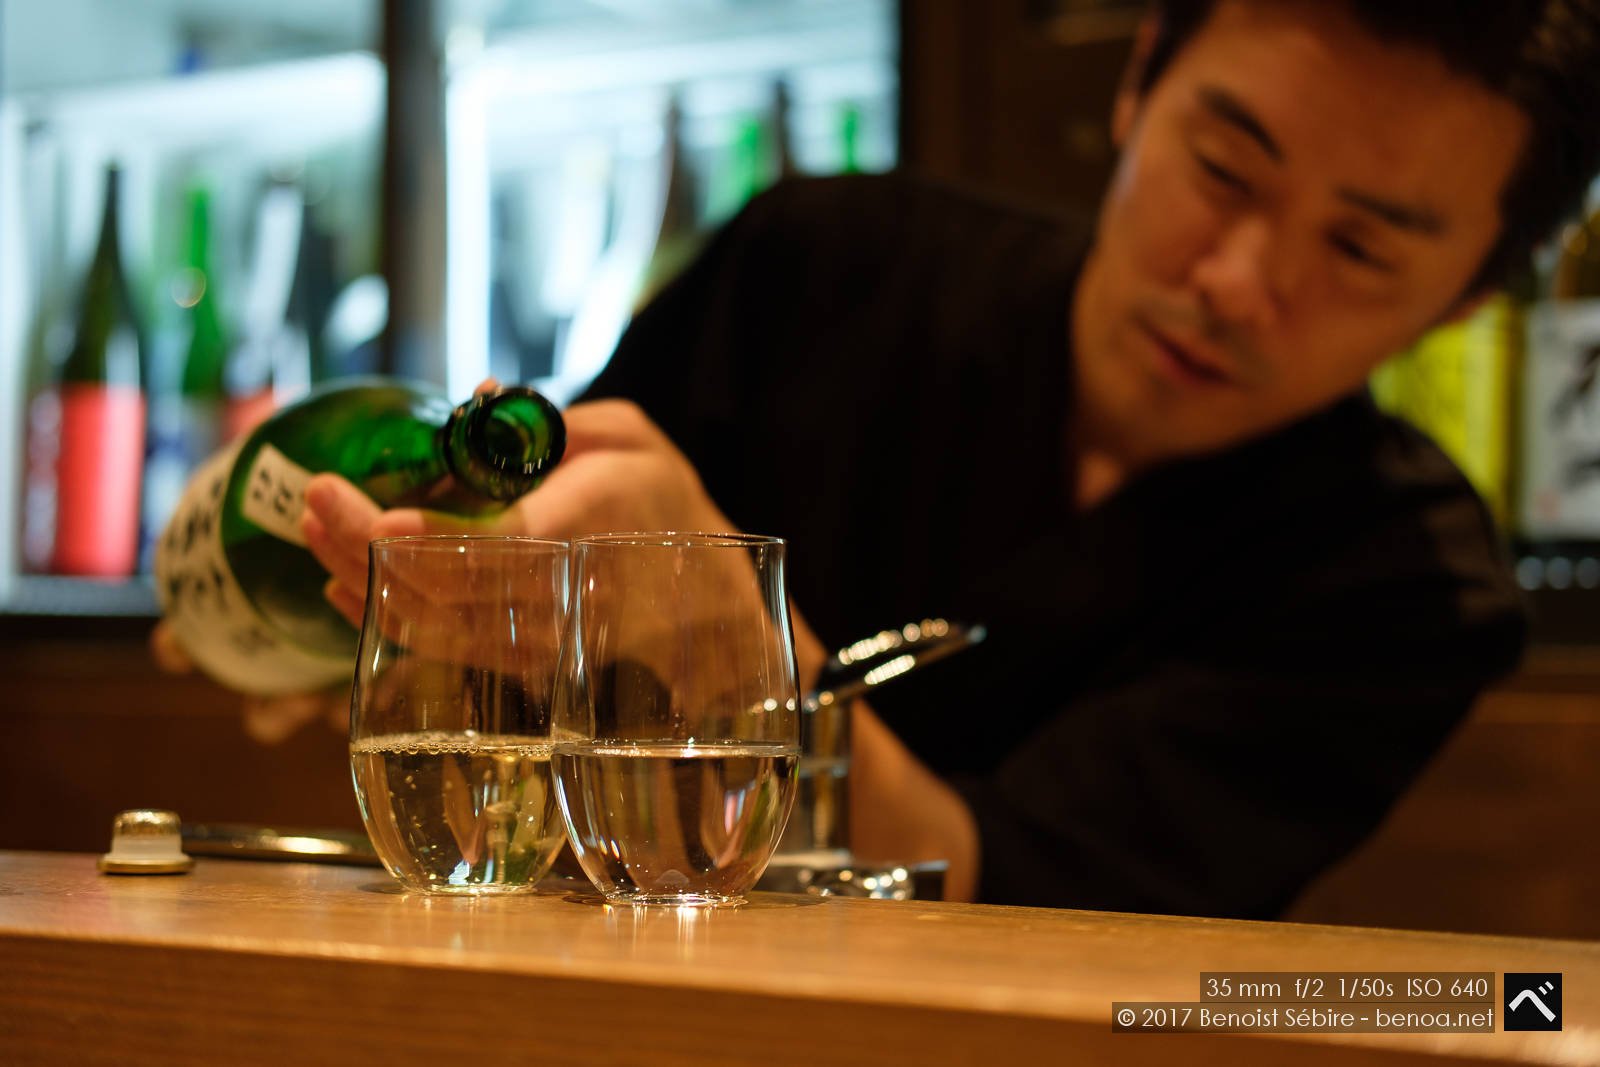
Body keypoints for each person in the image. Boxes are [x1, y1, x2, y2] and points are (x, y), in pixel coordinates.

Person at [204, 0, 1600, 917]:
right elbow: (516, 559)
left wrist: (750, 659)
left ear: (1472, 295)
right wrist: (413, 610)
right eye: (1224, 170)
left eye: (1360, 247)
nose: (1241, 279)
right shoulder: (824, 266)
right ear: (1135, 86)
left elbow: (1006, 901)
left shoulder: (1405, 583)